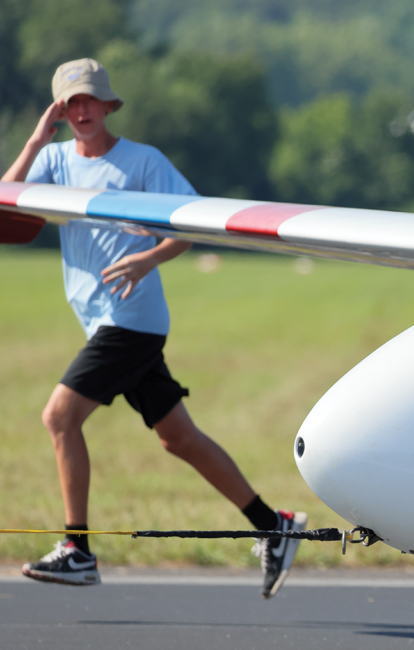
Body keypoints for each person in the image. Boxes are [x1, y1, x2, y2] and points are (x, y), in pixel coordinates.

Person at [2, 58, 306, 598]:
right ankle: (271, 525)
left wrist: (148, 259)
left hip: (131, 320)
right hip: (102, 321)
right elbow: (4, 203)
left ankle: (77, 549)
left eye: (91, 100)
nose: (83, 111)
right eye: (71, 103)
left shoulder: (143, 161)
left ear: (109, 105)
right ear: (59, 111)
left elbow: (189, 224)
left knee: (59, 418)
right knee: (178, 438)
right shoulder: (51, 159)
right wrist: (33, 140)